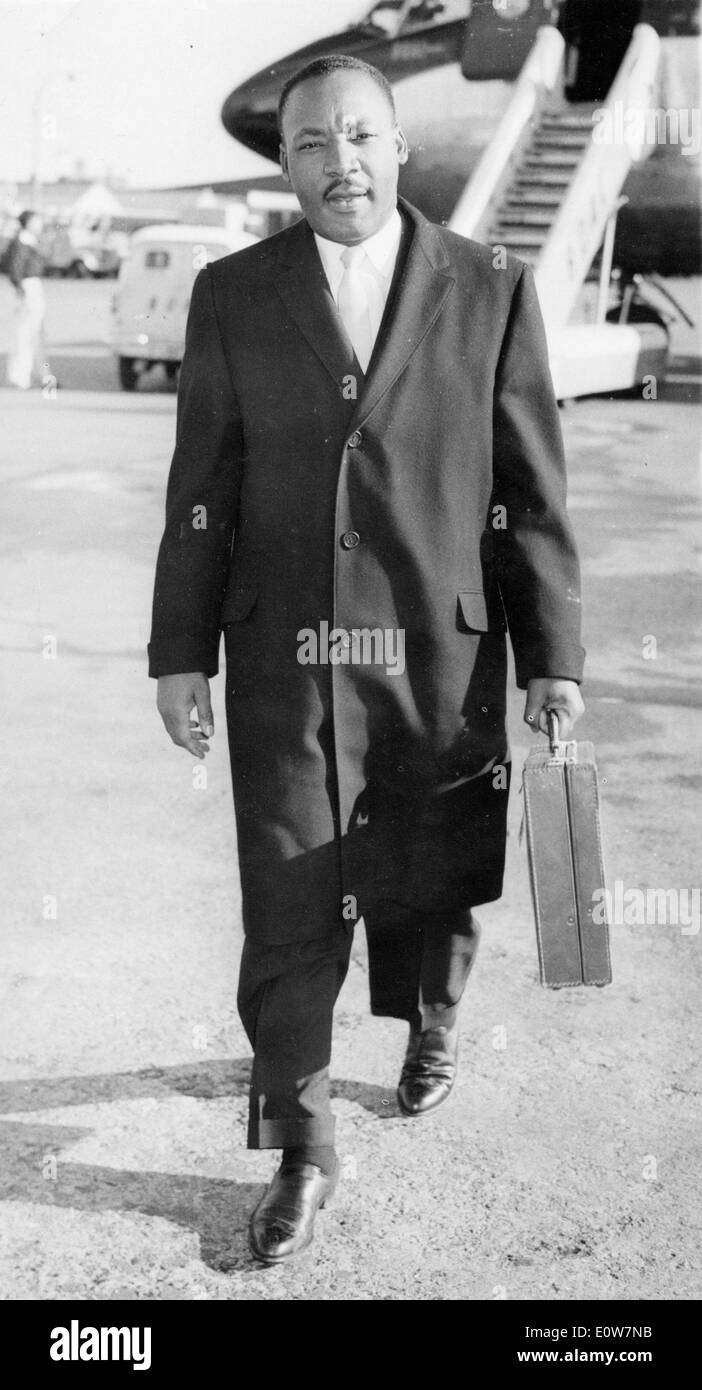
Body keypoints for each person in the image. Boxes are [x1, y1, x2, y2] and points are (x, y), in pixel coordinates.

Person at [149, 54, 585, 1265]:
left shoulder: (491, 287)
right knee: (286, 892)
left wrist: (555, 654)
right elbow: (205, 483)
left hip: (440, 659)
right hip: (285, 654)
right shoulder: (234, 293)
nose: (337, 163)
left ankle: (432, 1023)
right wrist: (181, 650)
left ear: (400, 149)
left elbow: (530, 490)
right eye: (308, 145)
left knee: (430, 872)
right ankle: (302, 1142)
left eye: (358, 137)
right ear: (285, 167)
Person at [5, 211, 50, 391]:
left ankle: (41, 376)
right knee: (25, 333)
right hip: (27, 287)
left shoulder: (31, 241)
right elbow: (15, 267)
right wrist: (20, 288)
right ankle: (20, 376)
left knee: (36, 332)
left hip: (33, 285)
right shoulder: (21, 242)